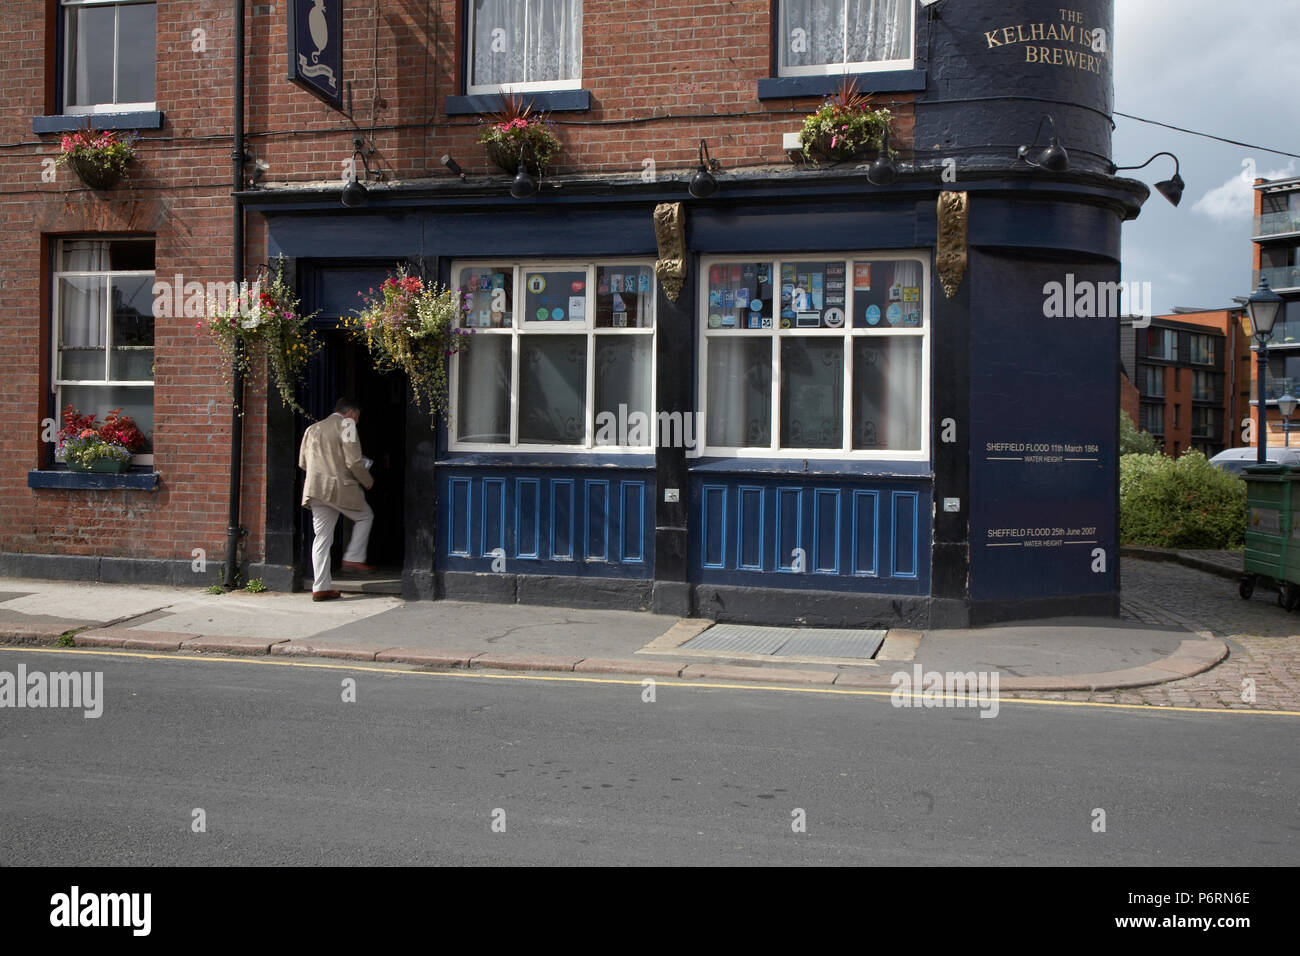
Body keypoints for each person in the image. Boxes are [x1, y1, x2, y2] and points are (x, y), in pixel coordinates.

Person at [298, 397, 376, 601]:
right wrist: (367, 481)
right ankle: (353, 557)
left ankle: (321, 587)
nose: (356, 422)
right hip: (339, 489)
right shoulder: (347, 425)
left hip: (315, 490)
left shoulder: (312, 429)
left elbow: (303, 462)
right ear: (351, 413)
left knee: (322, 539)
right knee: (365, 516)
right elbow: (354, 461)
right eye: (357, 418)